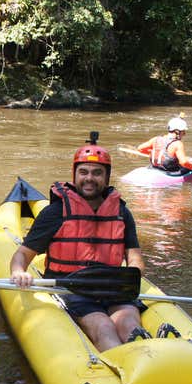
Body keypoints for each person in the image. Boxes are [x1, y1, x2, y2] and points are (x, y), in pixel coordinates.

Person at [9, 134, 150, 352]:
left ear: (107, 177)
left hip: (111, 287)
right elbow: (22, 255)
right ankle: (121, 363)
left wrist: (130, 277)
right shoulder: (55, 212)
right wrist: (18, 272)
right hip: (71, 288)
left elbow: (135, 258)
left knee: (129, 324)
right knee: (103, 326)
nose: (89, 178)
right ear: (74, 175)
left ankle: (147, 356)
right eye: (83, 172)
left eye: (97, 173)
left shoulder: (122, 213)